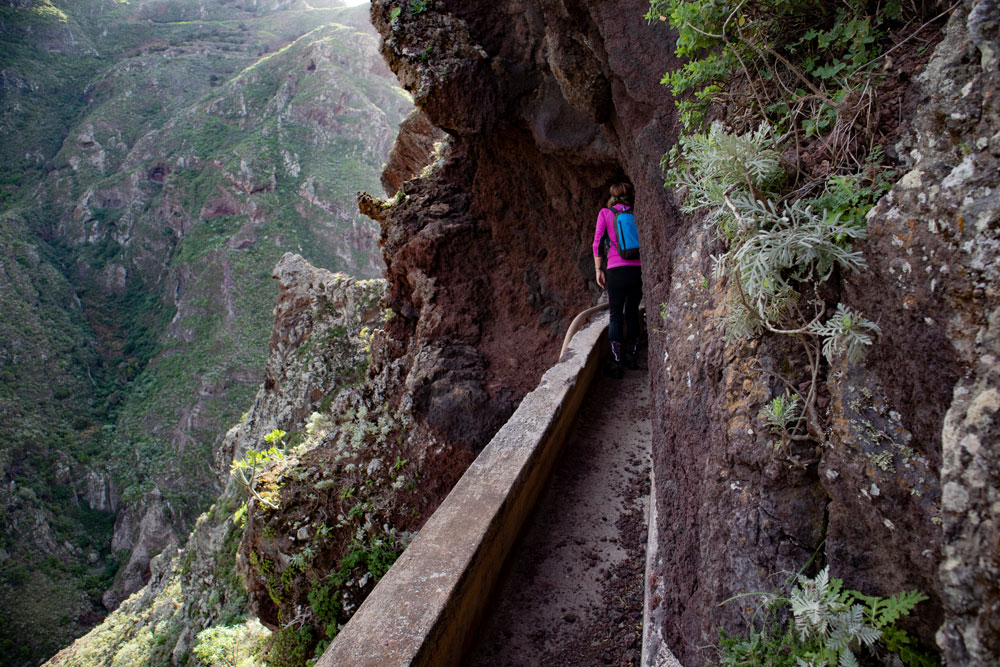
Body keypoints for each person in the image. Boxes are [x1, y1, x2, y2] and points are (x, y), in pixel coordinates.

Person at [593, 181, 642, 378]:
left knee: (615, 315)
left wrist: (598, 269)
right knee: (632, 313)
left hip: (615, 270)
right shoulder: (637, 213)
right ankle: (631, 357)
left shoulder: (605, 213)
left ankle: (616, 363)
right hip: (637, 270)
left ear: (612, 196)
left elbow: (597, 243)